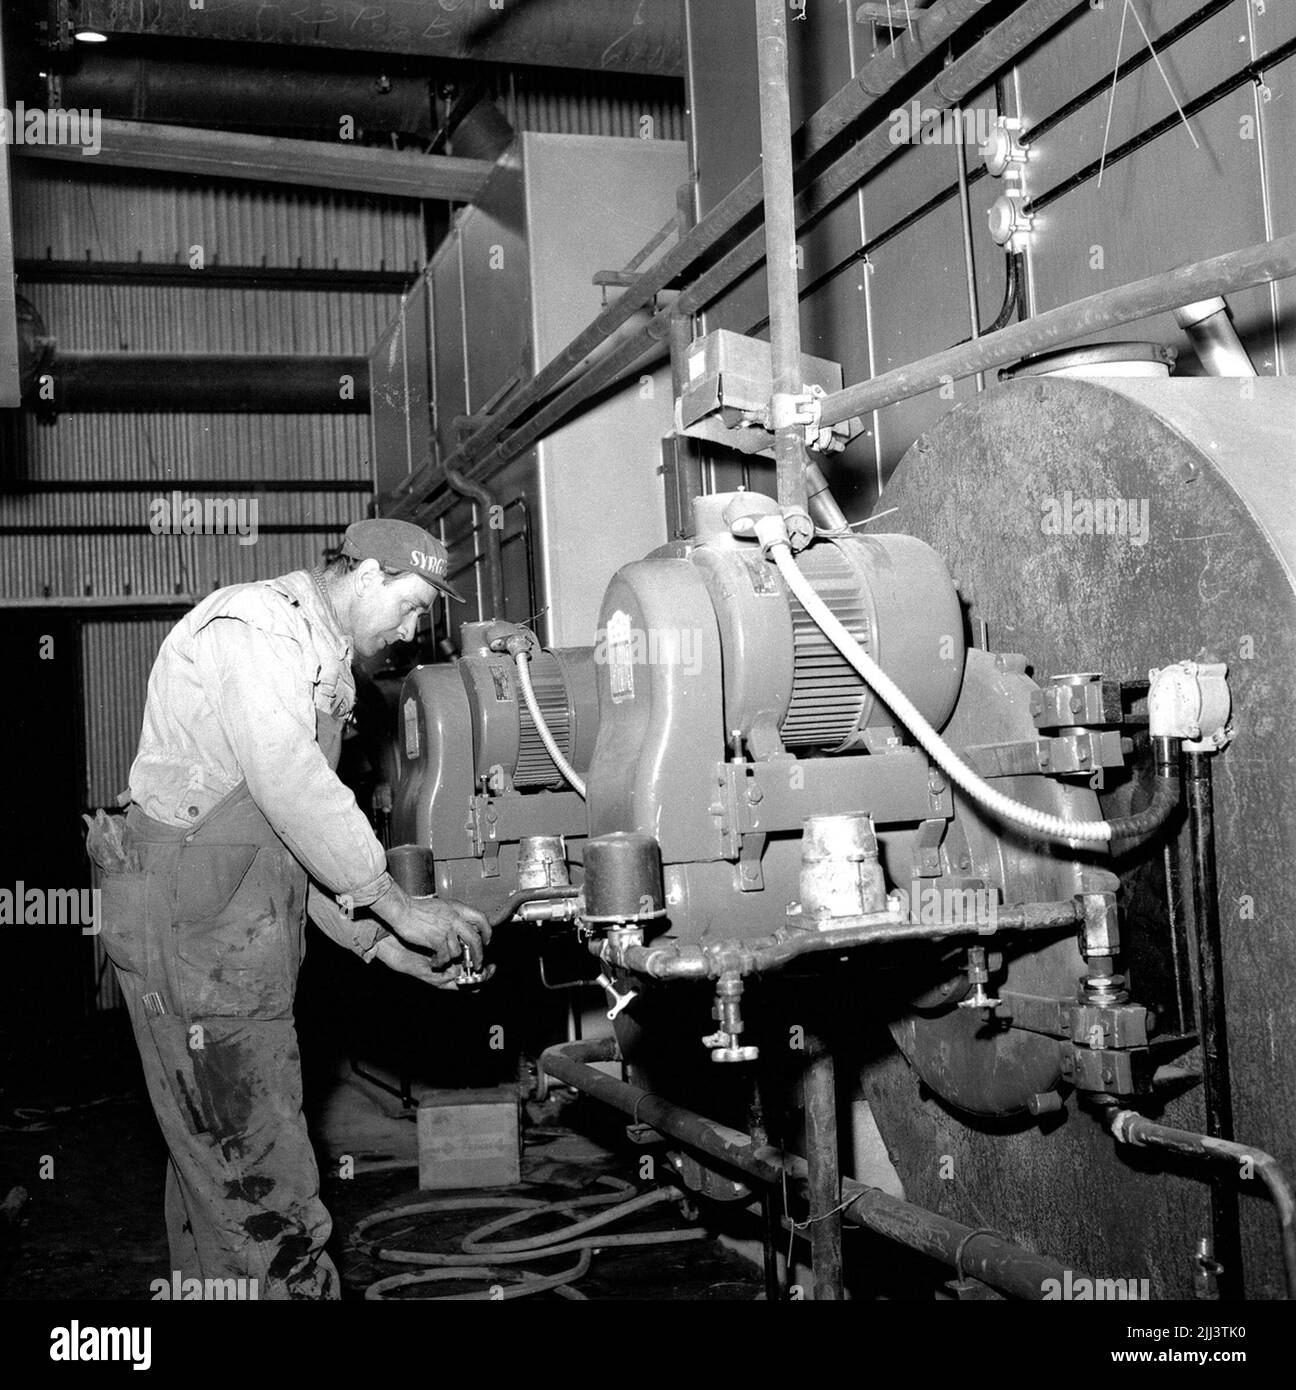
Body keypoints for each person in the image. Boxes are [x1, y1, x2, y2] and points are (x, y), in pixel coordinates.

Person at [86, 518, 490, 1299]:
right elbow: (286, 782)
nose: (411, 634)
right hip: (198, 948)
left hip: (228, 934)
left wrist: (379, 943)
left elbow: (285, 850)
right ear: (367, 574)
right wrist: (392, 903)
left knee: (213, 1163)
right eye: (409, 608)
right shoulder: (259, 626)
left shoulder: (318, 661)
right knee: (259, 1183)